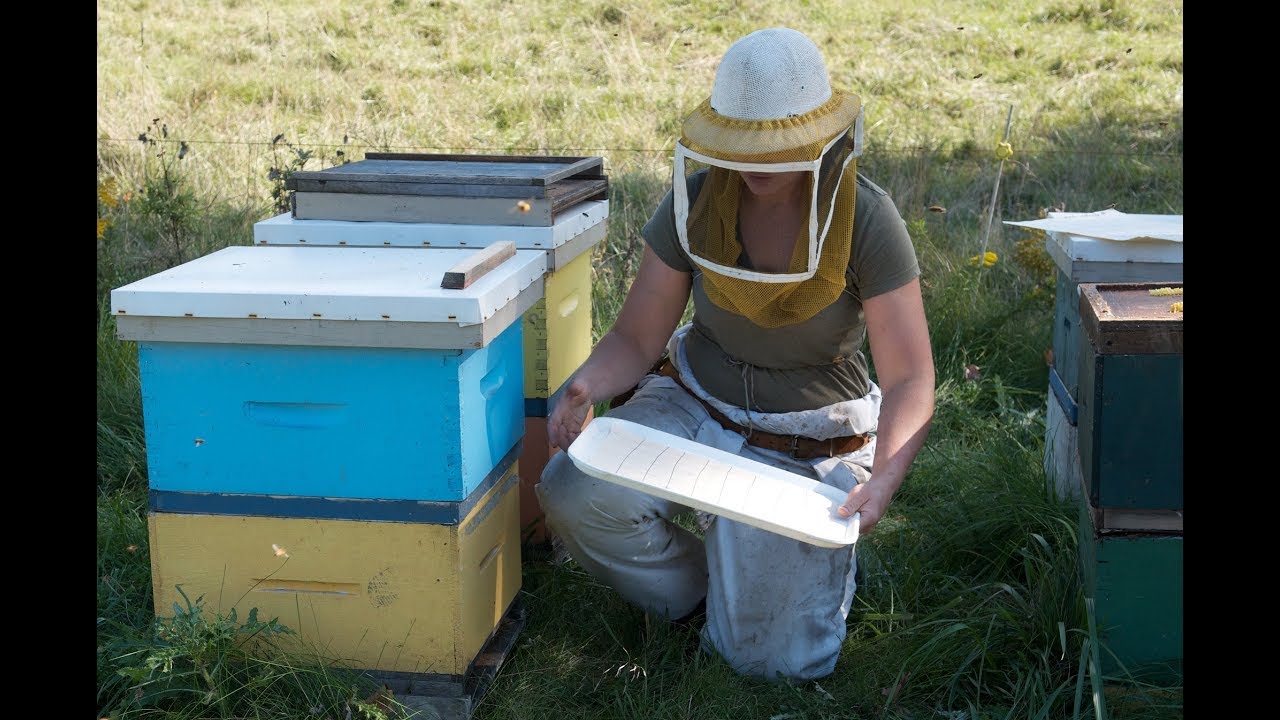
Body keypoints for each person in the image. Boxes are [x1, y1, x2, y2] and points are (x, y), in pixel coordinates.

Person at [536, 26, 935, 682]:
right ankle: (699, 597)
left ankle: (772, 596)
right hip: (695, 397)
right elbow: (638, 337)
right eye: (742, 143)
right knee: (575, 494)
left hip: (809, 435)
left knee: (779, 666)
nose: (755, 164)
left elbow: (911, 375)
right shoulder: (697, 200)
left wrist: (884, 477)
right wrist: (587, 386)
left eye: (774, 147)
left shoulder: (866, 216)